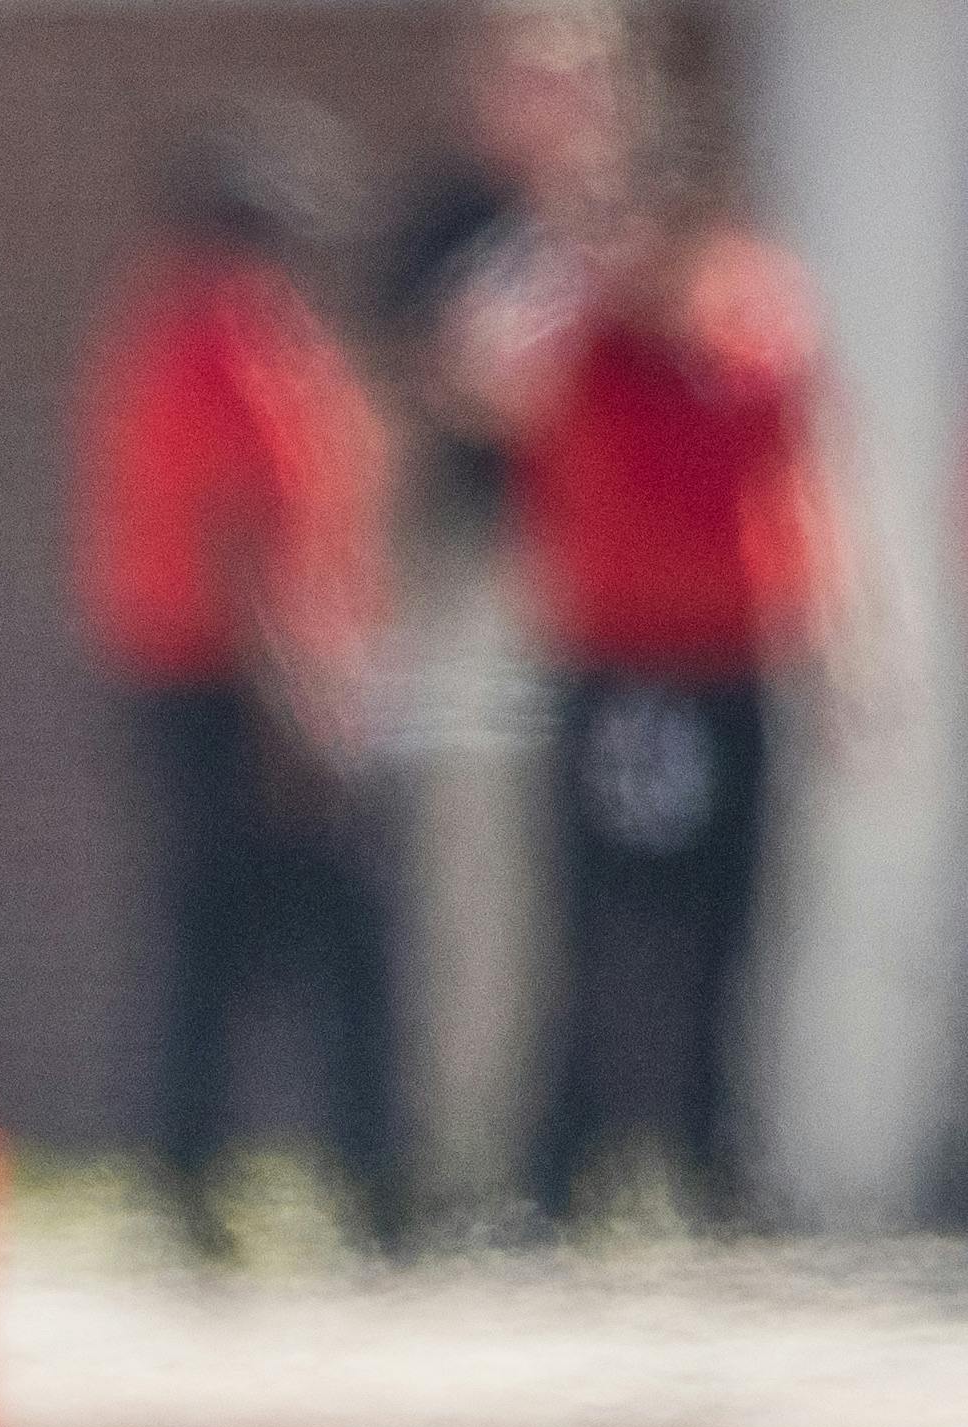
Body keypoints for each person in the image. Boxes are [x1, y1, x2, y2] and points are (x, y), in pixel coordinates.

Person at [452, 113, 854, 1240]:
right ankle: (565, 1163)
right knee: (600, 919)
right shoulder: (577, 329)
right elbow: (479, 378)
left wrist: (840, 648)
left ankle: (716, 1160)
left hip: (735, 664)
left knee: (732, 919)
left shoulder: (757, 325)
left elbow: (806, 487)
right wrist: (573, 263)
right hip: (615, 671)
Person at [76, 101, 410, 1263]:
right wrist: (304, 701)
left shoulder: (235, 335)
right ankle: (358, 1186)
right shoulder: (217, 334)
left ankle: (202, 1183)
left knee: (224, 940)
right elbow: (237, 535)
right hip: (239, 687)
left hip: (237, 678)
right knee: (333, 934)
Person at [384, 2, 635, 1220]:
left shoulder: (639, 229)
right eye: (537, 83)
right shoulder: (453, 227)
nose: (565, 110)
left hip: (624, 600)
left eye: (583, 85)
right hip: (489, 577)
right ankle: (460, 1160)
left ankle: (583, 1162)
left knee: (607, 886)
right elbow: (473, 389)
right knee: (474, 877)